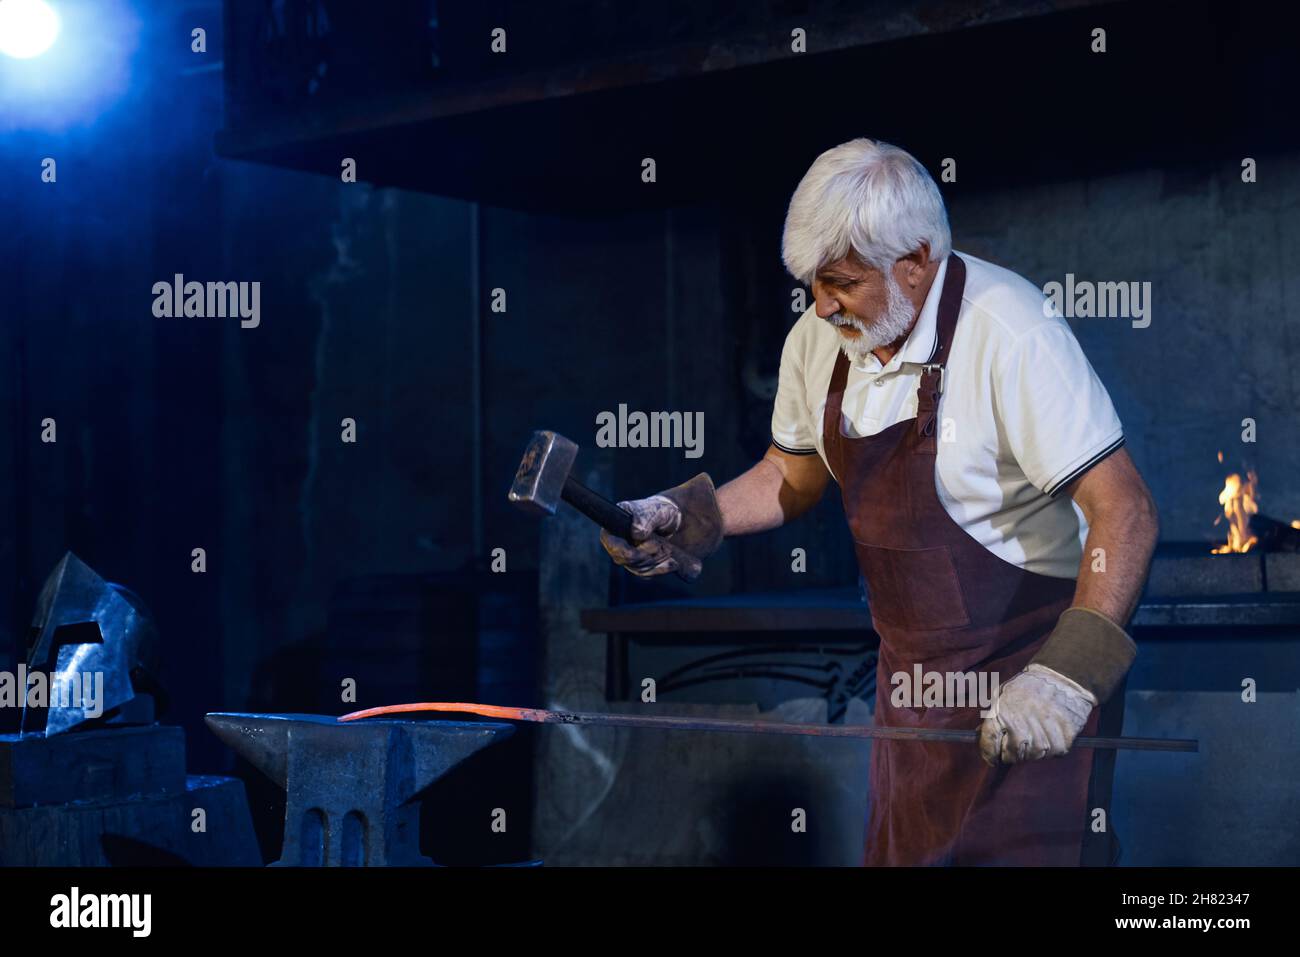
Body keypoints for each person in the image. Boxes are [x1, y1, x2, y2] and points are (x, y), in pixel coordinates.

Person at [600, 138, 1159, 866]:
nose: (820, 305)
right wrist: (689, 516)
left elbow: (1127, 510)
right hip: (913, 694)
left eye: (841, 282)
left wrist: (1067, 679)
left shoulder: (1013, 332)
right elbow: (791, 472)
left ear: (917, 261)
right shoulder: (819, 337)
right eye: (809, 283)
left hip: (1030, 679)